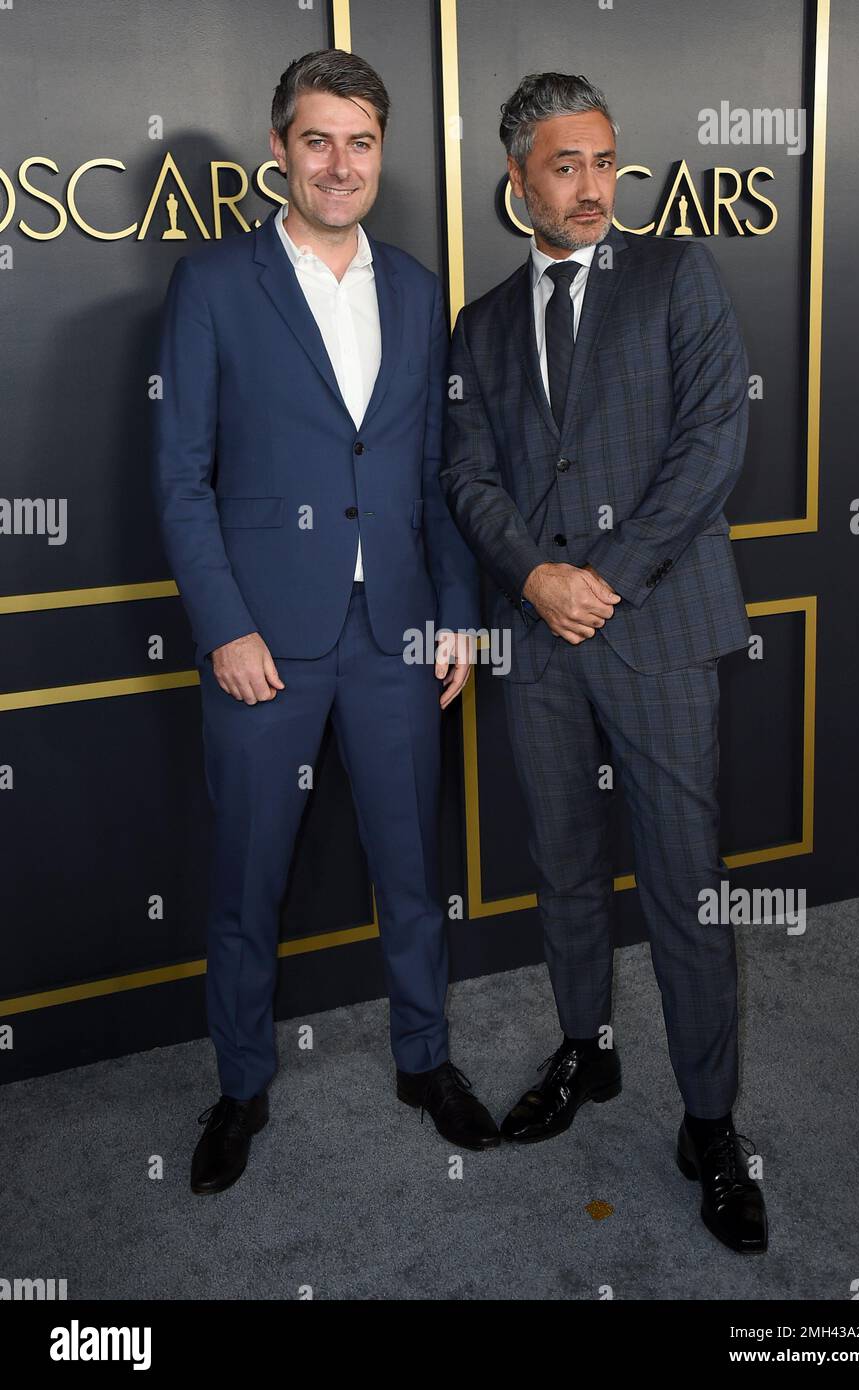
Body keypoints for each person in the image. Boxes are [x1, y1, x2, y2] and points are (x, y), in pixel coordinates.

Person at [153, 49, 499, 1196]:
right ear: (279, 150)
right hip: (263, 638)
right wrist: (225, 628)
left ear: (380, 153)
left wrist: (456, 613)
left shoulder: (414, 288)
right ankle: (241, 1085)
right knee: (248, 878)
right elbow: (181, 480)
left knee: (411, 866)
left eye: (359, 141)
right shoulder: (214, 285)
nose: (338, 163)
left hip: (398, 632)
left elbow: (437, 475)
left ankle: (424, 1059)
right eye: (317, 139)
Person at [441, 71, 767, 1253]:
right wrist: (535, 578)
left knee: (683, 884)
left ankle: (712, 1125)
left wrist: (603, 576)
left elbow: (711, 442)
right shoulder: (478, 325)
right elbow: (466, 475)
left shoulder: (675, 275)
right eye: (566, 167)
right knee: (563, 867)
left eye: (605, 163)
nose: (592, 188)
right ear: (516, 178)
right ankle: (586, 1049)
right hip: (538, 640)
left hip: (657, 630)